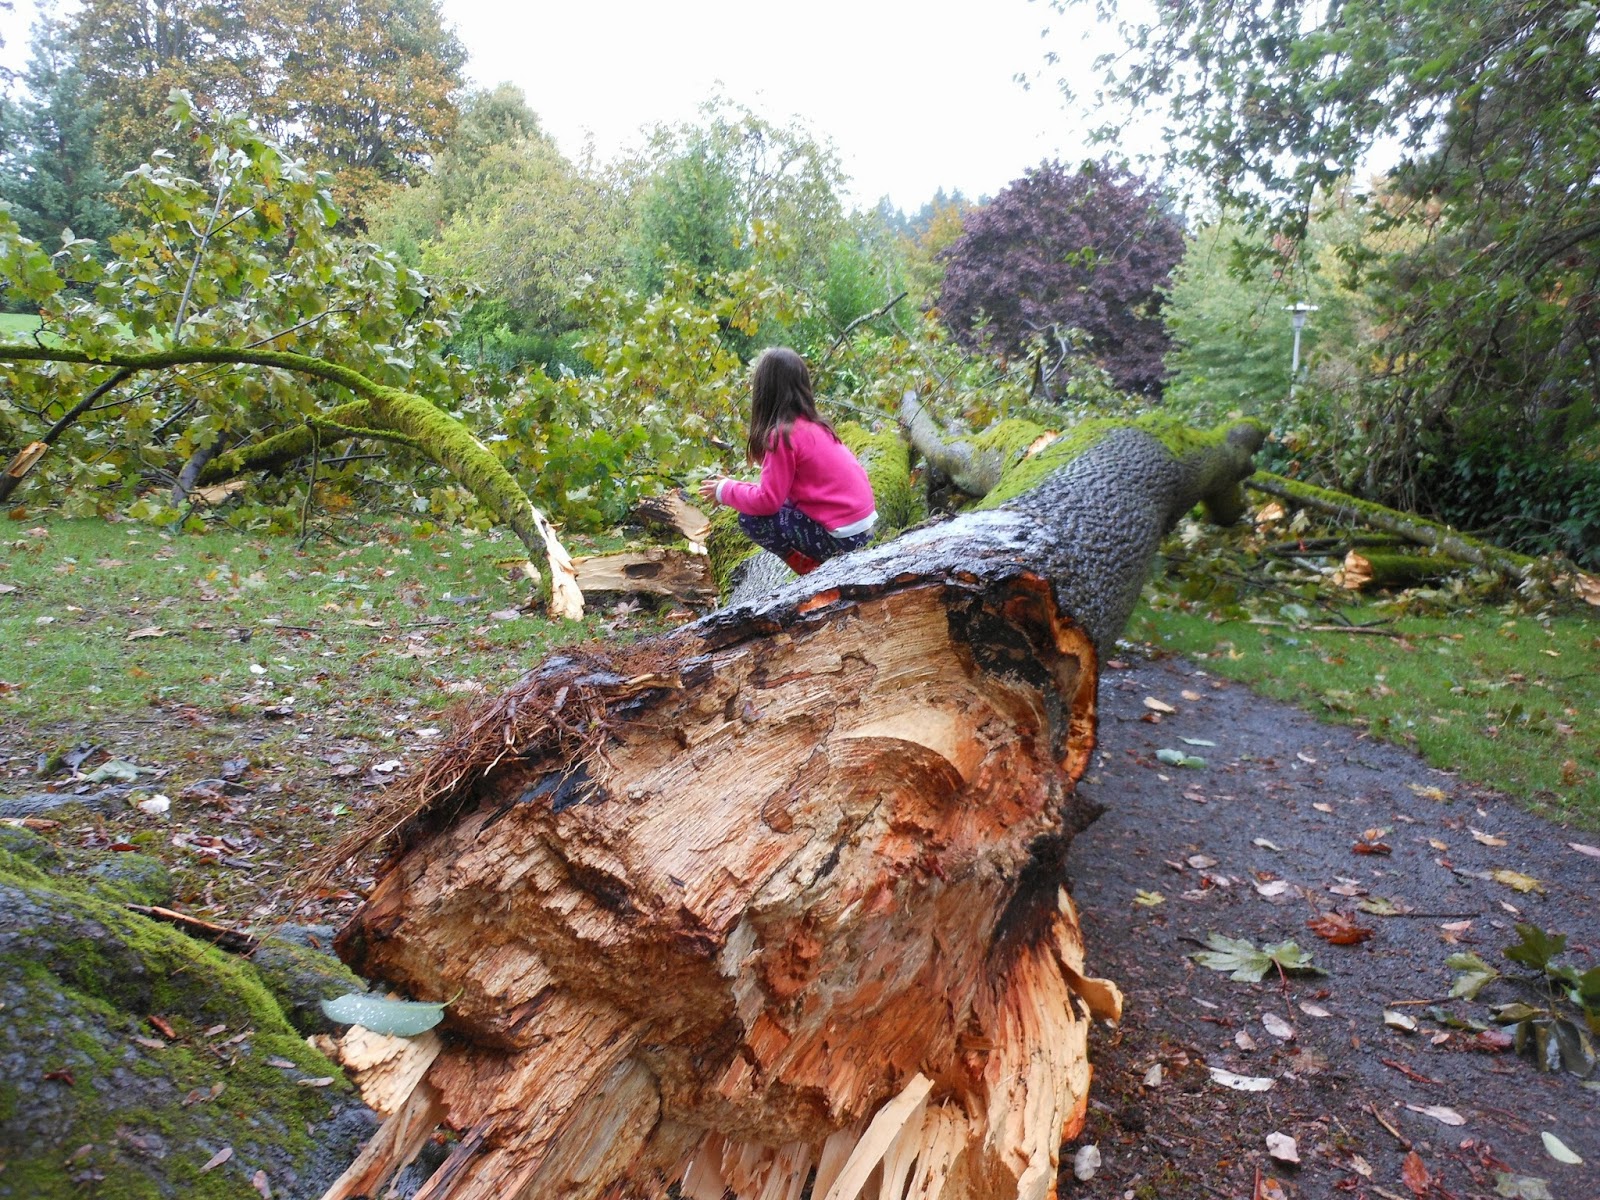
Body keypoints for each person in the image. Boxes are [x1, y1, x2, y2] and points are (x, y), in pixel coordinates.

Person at [698, 347, 877, 576]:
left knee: (751, 518)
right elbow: (777, 493)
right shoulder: (815, 426)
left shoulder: (782, 435)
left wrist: (725, 491)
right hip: (864, 532)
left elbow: (768, 502)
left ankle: (810, 569)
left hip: (844, 541)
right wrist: (733, 487)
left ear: (763, 391)